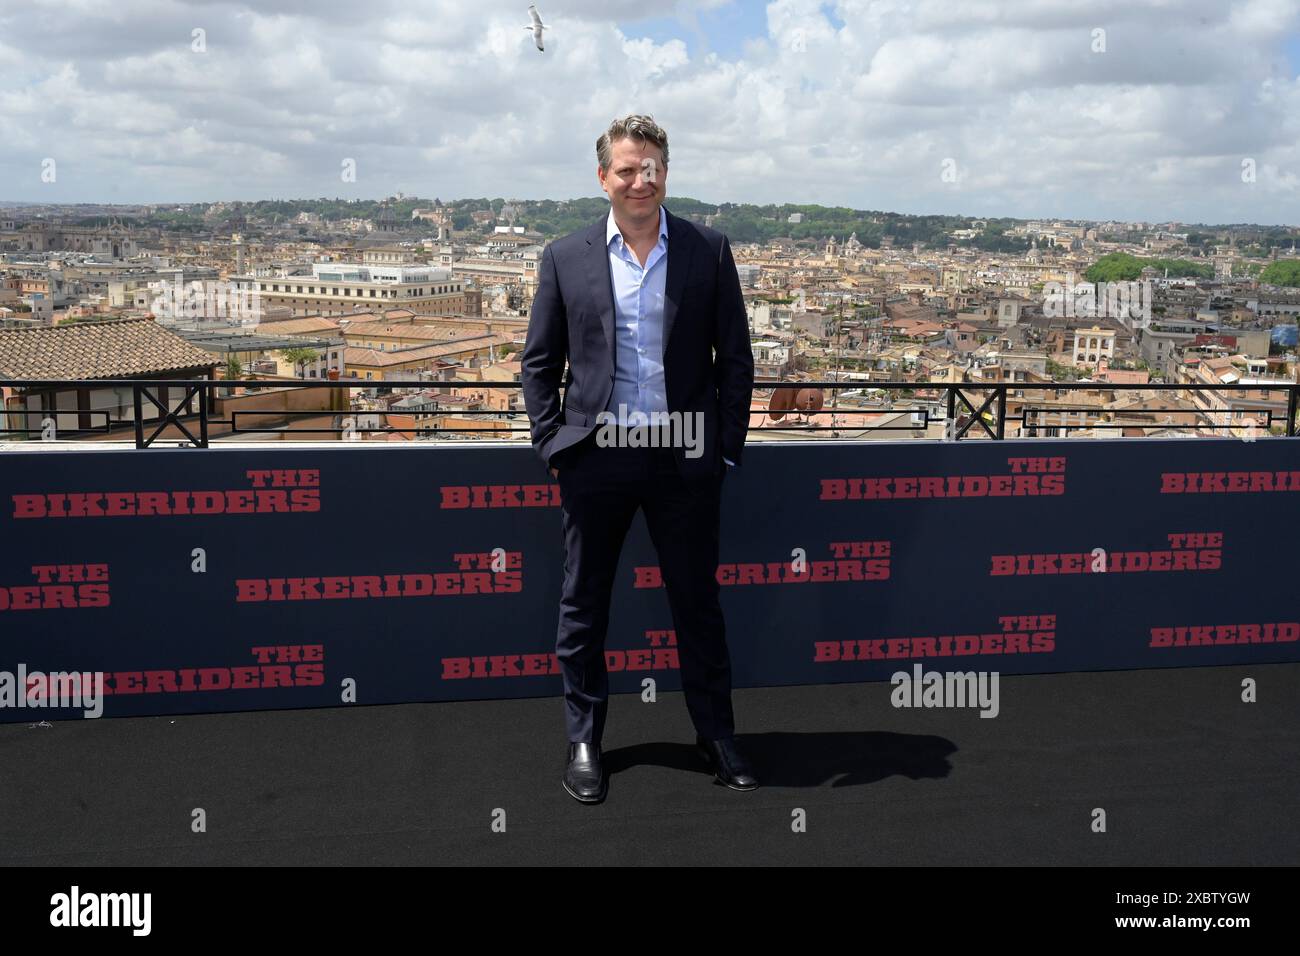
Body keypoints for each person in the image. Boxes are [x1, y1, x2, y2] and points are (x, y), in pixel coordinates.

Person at [521, 114, 757, 804]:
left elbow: (735, 361)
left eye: (650, 167)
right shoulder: (564, 257)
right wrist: (552, 444)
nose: (639, 180)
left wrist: (725, 450)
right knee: (585, 604)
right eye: (626, 169)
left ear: (665, 173)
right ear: (603, 178)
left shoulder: (708, 251)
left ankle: (715, 735)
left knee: (698, 606)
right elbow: (540, 362)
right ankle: (585, 740)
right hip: (598, 454)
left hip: (683, 452)